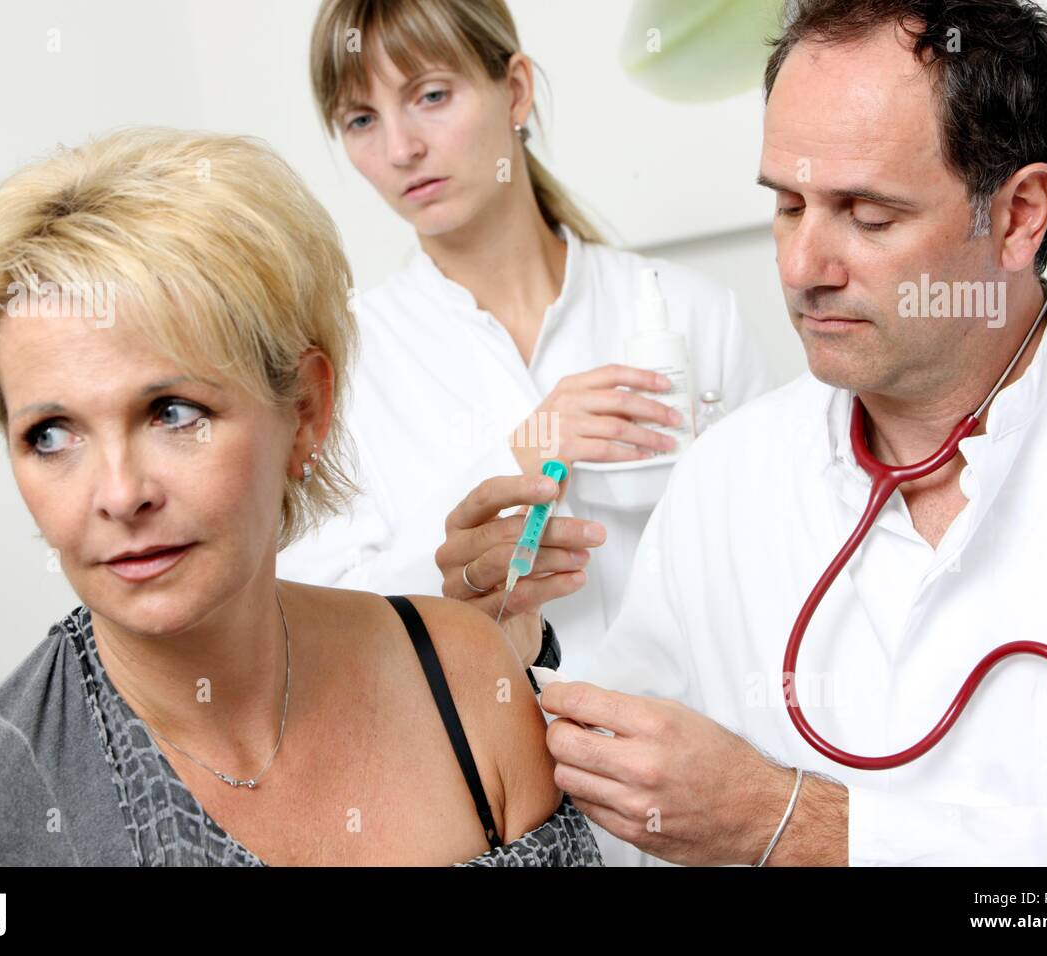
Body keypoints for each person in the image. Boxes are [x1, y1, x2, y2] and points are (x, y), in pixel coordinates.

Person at [471, 0, 1047, 865]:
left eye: (867, 215)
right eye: (789, 205)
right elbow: (614, 816)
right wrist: (498, 652)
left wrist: (793, 825)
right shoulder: (727, 480)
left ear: (1018, 216)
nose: (800, 269)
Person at [0, 126, 602, 867]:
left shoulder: (464, 676)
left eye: (172, 413)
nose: (120, 495)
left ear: (307, 411)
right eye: (53, 434)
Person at [277, 0, 776, 679]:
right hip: (470, 773)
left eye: (430, 96)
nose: (401, 149)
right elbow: (318, 624)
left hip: (686, 762)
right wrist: (518, 453)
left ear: (514, 90)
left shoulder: (694, 313)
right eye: (362, 120)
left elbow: (773, 571)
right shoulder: (344, 367)